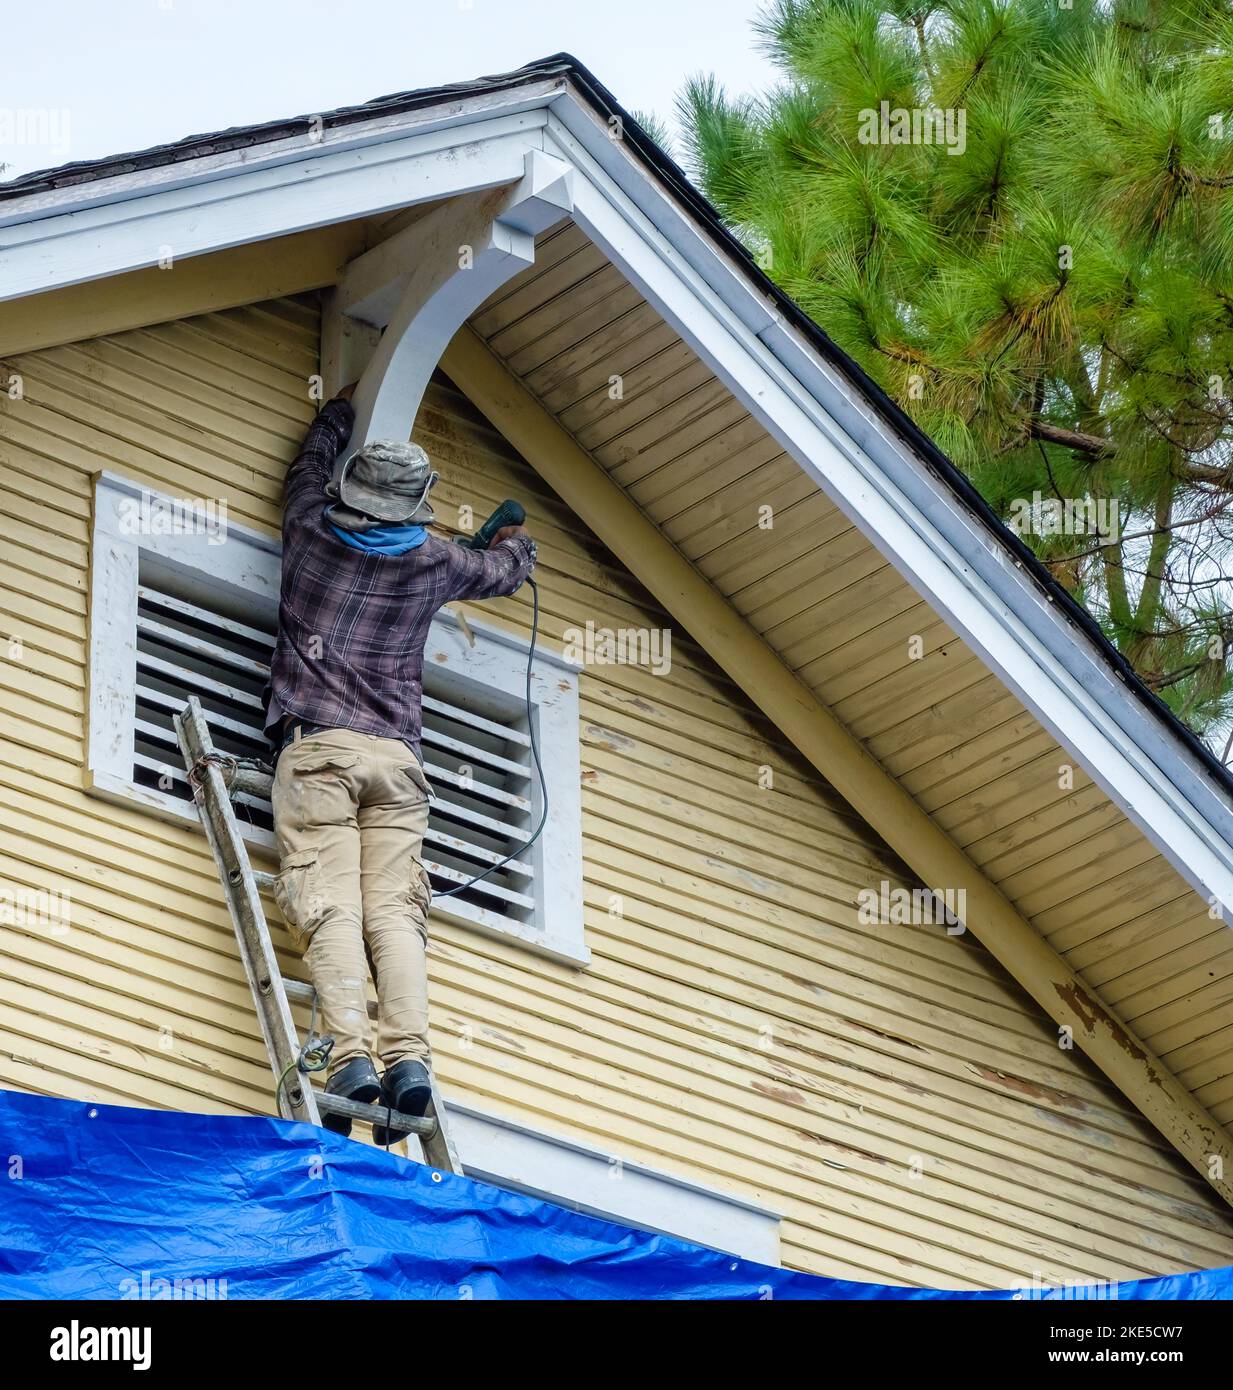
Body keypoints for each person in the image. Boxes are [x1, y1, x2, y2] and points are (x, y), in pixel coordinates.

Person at [265, 386, 536, 1144]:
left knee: (330, 902)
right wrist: (513, 540)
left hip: (320, 750)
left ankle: (352, 1060)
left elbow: (305, 467)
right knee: (394, 915)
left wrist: (338, 412)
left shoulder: (309, 530)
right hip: (398, 765)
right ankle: (409, 1062)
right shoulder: (436, 561)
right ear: (416, 506)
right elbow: (503, 572)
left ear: (352, 494)